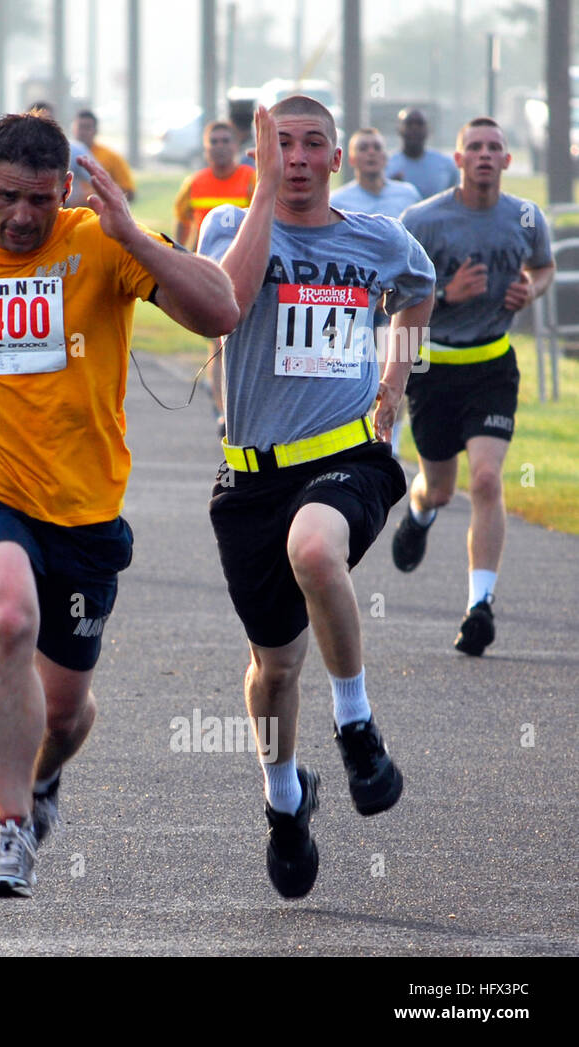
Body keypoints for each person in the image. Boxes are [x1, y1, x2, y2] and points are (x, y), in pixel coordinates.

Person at [0, 112, 239, 897]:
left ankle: (42, 782)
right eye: (7, 196)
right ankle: (9, 831)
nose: (21, 217)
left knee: (65, 715)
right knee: (8, 615)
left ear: (66, 190)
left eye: (40, 201)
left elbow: (220, 313)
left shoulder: (102, 242)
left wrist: (135, 238)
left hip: (82, 509)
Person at [198, 99, 435, 900]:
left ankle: (358, 725)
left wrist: (394, 378)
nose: (295, 158)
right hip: (250, 477)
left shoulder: (377, 239)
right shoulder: (229, 223)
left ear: (337, 159)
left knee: (315, 548)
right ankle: (285, 801)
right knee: (272, 670)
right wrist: (262, 193)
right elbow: (224, 303)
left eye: (310, 146)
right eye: (281, 144)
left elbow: (419, 289)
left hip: (347, 458)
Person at [393, 117, 554, 656]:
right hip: (435, 370)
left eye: (495, 148)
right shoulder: (422, 219)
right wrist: (448, 294)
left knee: (486, 481)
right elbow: (394, 295)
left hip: (492, 366)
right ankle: (419, 514)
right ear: (457, 159)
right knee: (440, 487)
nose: (485, 156)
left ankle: (479, 607)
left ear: (507, 161)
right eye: (474, 148)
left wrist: (533, 288)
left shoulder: (526, 217)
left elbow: (546, 266)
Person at [332, 128, 424, 457]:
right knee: (354, 371)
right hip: (357, 302)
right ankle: (354, 438)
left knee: (395, 369)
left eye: (377, 147)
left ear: (386, 156)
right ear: (351, 158)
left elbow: (419, 249)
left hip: (397, 301)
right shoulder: (339, 200)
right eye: (363, 148)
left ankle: (391, 443)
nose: (371, 153)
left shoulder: (408, 195)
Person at [174, 120, 257, 436]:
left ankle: (244, 405)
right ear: (206, 148)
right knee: (218, 344)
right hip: (210, 277)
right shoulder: (194, 184)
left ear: (235, 146)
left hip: (248, 273)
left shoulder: (251, 180)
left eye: (226, 141)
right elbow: (182, 226)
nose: (220, 146)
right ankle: (225, 414)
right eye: (214, 141)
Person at [28, 101, 91, 205]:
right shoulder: (13, 153)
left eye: (48, 121)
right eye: (38, 122)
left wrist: (83, 200)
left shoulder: (75, 150)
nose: (43, 128)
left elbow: (100, 182)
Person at [387, 108, 458, 200]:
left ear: (428, 129)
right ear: (399, 129)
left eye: (419, 124)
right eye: (409, 124)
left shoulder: (446, 164)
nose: (414, 128)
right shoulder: (386, 165)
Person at [73, 109, 134, 201]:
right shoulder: (63, 155)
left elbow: (129, 192)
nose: (82, 132)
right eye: (80, 127)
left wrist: (99, 197)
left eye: (87, 127)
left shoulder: (111, 157)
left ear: (96, 130)